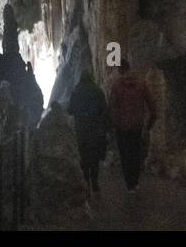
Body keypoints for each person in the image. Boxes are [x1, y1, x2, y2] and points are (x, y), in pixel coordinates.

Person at [108, 60, 156, 192]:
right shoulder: (141, 83)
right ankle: (135, 181)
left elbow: (112, 107)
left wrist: (114, 124)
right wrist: (150, 124)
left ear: (120, 70)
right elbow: (152, 105)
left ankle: (129, 183)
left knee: (125, 154)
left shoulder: (116, 86)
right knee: (135, 152)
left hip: (121, 126)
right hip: (137, 125)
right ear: (129, 68)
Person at [67, 68, 109, 195]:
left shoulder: (76, 90)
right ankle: (95, 183)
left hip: (81, 127)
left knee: (84, 155)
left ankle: (86, 182)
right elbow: (104, 109)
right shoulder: (97, 90)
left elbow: (70, 109)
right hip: (95, 127)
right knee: (94, 156)